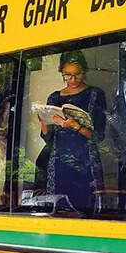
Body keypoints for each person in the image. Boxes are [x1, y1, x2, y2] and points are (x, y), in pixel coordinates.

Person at [38, 51, 107, 210]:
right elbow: (47, 138)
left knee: (86, 210)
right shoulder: (54, 97)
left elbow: (98, 136)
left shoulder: (95, 95)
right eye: (67, 75)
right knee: (58, 210)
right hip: (58, 164)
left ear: (85, 71)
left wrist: (77, 127)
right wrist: (43, 122)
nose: (73, 80)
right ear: (61, 73)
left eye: (77, 74)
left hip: (85, 163)